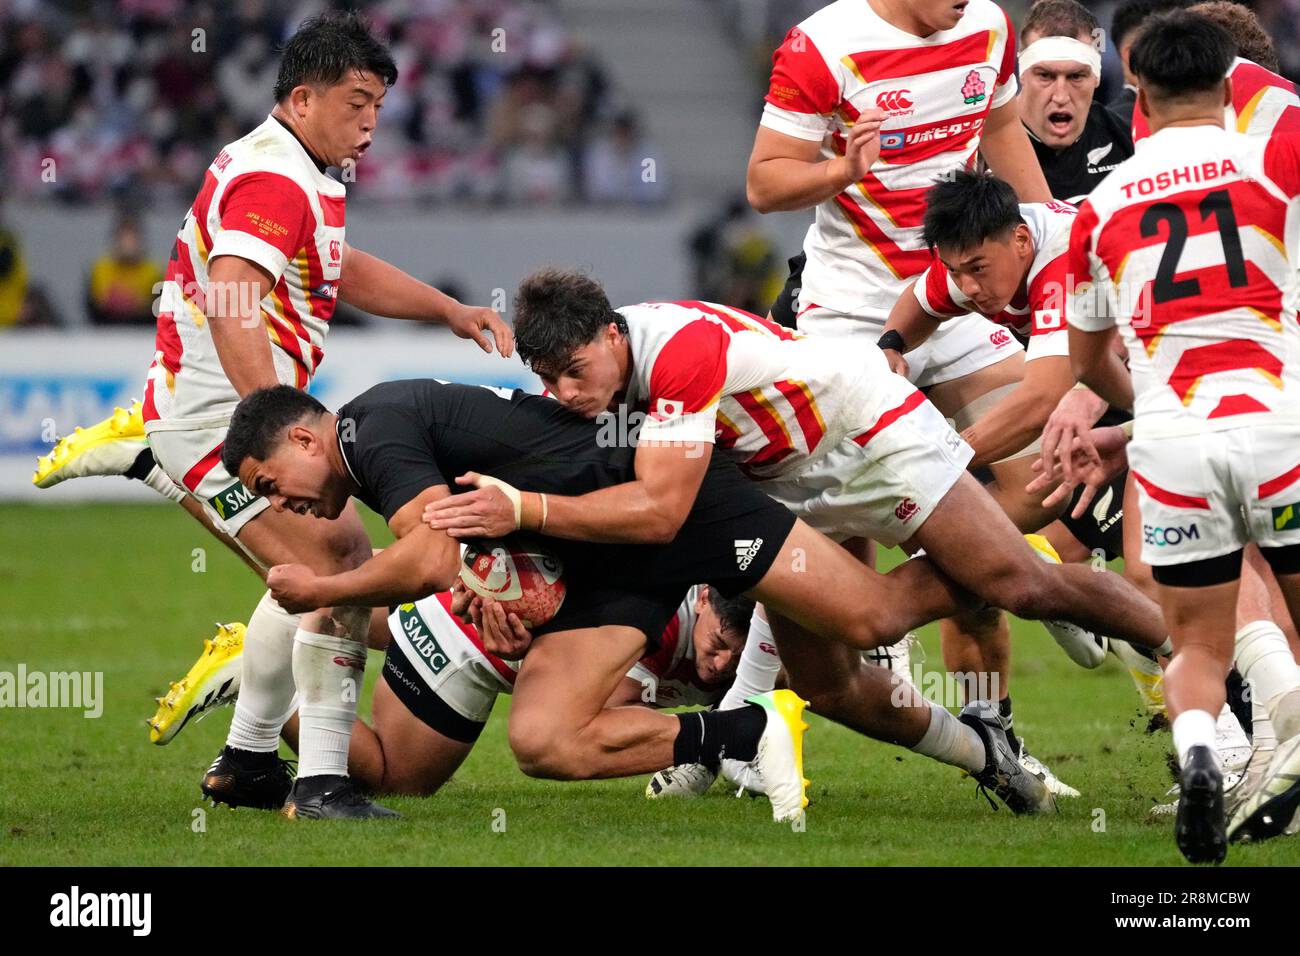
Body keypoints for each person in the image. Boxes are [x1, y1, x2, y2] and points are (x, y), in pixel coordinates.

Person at [222, 379, 1057, 818]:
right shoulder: (377, 438)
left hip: (657, 516)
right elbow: (449, 555)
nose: (281, 505)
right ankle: (759, 729)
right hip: (608, 553)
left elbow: (431, 561)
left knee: (868, 622)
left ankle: (1026, 571)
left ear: (303, 437)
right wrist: (493, 571)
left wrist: (326, 586)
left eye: (270, 485)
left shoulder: (368, 434)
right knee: (540, 742)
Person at [102, 12, 512, 821]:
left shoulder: (301, 172)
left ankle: (249, 762)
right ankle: (321, 782)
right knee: (344, 562)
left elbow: (340, 268)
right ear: (301, 97)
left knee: (318, 575)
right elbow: (230, 296)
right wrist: (269, 426)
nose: (370, 124)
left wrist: (444, 310)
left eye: (379, 107)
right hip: (221, 426)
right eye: (357, 103)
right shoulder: (275, 179)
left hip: (224, 418)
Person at [1066, 11, 1300, 862]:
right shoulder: (1275, 169)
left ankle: (1202, 753)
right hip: (1282, 425)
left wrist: (1136, 420)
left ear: (1139, 94)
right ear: (1231, 82)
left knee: (1198, 642)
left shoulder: (1102, 205)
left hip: (1173, 445)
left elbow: (1085, 357)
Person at [1017, 0, 1133, 205]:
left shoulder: (1126, 138)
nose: (1060, 97)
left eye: (1076, 77)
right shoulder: (979, 149)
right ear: (1021, 74)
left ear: (1096, 77)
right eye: (1045, 76)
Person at [86, 216, 164, 325]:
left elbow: (158, 309)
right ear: (115, 239)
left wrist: (135, 304)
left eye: (132, 239)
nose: (128, 244)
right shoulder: (101, 268)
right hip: (106, 333)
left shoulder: (152, 271)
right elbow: (93, 306)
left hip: (142, 333)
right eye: (124, 238)